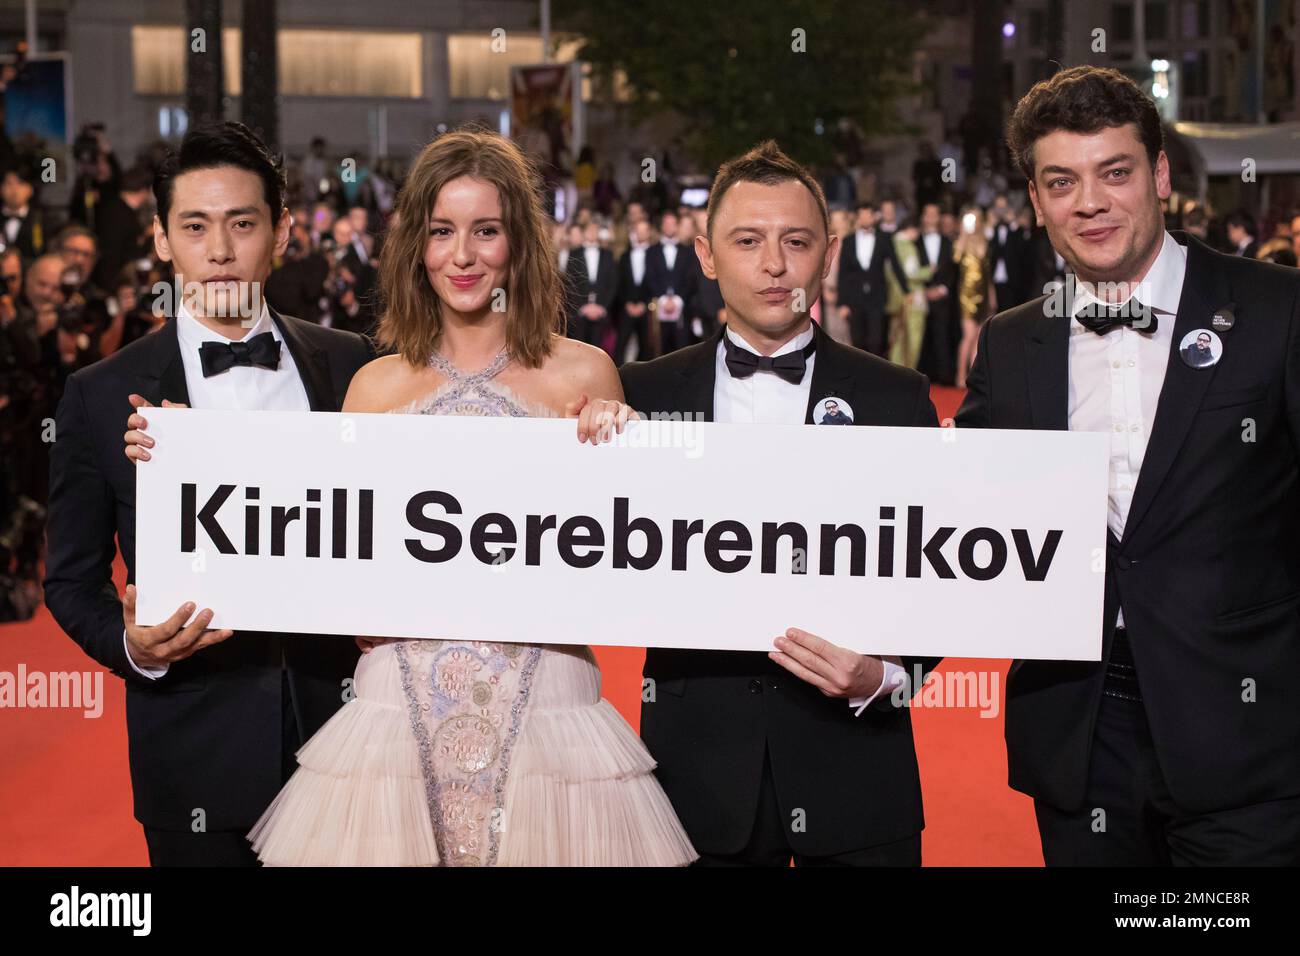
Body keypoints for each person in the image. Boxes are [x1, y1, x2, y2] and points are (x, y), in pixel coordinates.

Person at [202, 128, 694, 866]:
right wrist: (185, 453)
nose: (462, 256)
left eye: (485, 230)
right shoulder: (372, 388)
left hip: (549, 703)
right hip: (394, 709)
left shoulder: (585, 373)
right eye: (441, 231)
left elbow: (625, 559)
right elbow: (331, 551)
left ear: (518, 244)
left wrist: (622, 442)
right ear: (415, 247)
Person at [957, 65, 1300, 865]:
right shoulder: (1010, 344)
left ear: (1161, 176)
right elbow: (959, 522)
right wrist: (885, 661)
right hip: (1079, 736)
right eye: (1061, 181)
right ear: (1036, 200)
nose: (1091, 202)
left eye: (1115, 173)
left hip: (1247, 736)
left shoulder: (1279, 311)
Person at [46, 121, 375, 867]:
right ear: (162, 239)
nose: (220, 251)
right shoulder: (100, 397)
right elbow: (70, 580)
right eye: (194, 226)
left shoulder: (352, 364)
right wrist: (135, 647)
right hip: (193, 752)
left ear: (281, 231)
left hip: (353, 740)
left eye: (242, 224)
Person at [618, 140, 941, 866]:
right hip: (695, 779)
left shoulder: (898, 396)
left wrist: (887, 676)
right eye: (747, 241)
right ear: (706, 254)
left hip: (859, 770)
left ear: (827, 254)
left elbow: (948, 568)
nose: (773, 265)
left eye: (795, 242)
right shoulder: (641, 394)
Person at [836, 201, 910, 357]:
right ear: (857, 217)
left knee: (876, 341)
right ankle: (859, 378)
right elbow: (843, 273)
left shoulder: (884, 238)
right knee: (857, 341)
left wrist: (906, 291)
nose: (864, 219)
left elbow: (895, 264)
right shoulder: (848, 241)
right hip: (855, 298)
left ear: (874, 217)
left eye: (868, 215)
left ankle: (875, 378)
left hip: (877, 297)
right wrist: (842, 302)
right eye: (861, 215)